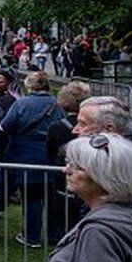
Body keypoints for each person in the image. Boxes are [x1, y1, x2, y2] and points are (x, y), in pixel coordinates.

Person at [46, 133, 132, 262]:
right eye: (68, 162)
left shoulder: (98, 232)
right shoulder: (131, 211)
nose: (66, 170)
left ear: (103, 177)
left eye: (77, 167)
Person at [0, 71, 65, 248]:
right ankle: (53, 236)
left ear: (29, 85)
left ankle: (32, 236)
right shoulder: (57, 105)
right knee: (51, 198)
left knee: (31, 198)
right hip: (50, 155)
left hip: (25, 155)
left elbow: (5, 126)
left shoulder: (22, 104)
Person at [72, 96, 132, 209]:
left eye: (83, 124)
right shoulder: (114, 155)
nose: (75, 130)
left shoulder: (124, 161)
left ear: (109, 129)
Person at [46, 81, 91, 243]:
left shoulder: (57, 127)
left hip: (63, 180)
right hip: (83, 179)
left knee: (64, 217)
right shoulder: (91, 126)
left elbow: (50, 152)